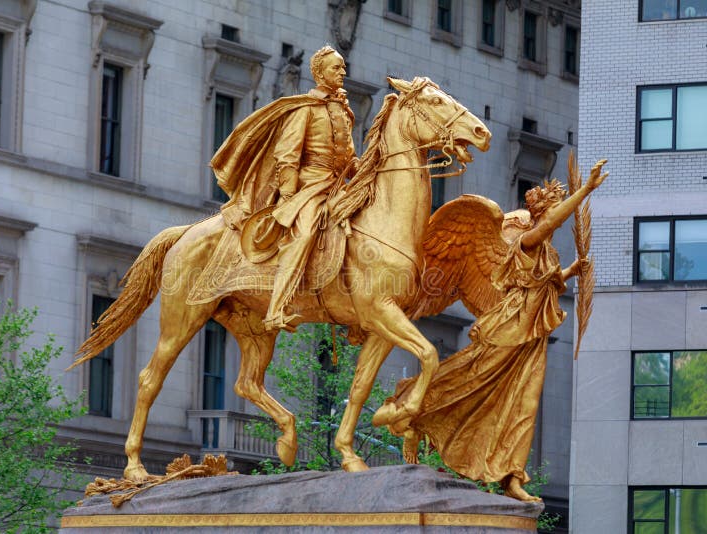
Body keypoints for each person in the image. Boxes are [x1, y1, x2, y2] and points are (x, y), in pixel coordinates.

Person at [373, 165, 607, 502]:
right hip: (508, 331)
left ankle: (511, 476)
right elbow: (553, 225)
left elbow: (548, 284)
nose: (556, 217)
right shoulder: (526, 242)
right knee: (465, 380)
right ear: (543, 216)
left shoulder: (549, 255)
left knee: (522, 407)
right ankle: (411, 410)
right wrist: (585, 191)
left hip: (533, 341)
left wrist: (571, 271)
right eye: (553, 210)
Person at [210, 45, 357, 331]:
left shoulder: (344, 110)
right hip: (309, 188)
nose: (342, 72)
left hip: (338, 187)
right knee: (303, 235)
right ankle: (277, 307)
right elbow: (287, 155)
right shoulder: (305, 109)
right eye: (335, 68)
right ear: (319, 73)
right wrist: (290, 197)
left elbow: (346, 159)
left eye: (342, 67)